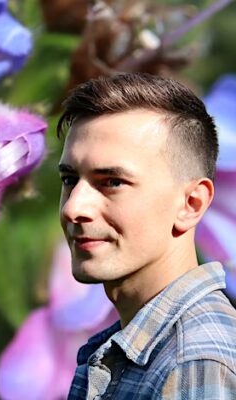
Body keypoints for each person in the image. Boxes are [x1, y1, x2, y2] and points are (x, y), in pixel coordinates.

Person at [57, 72, 236, 399]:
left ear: (191, 204)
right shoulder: (132, 346)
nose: (73, 208)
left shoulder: (193, 364)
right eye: (69, 179)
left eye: (112, 182)